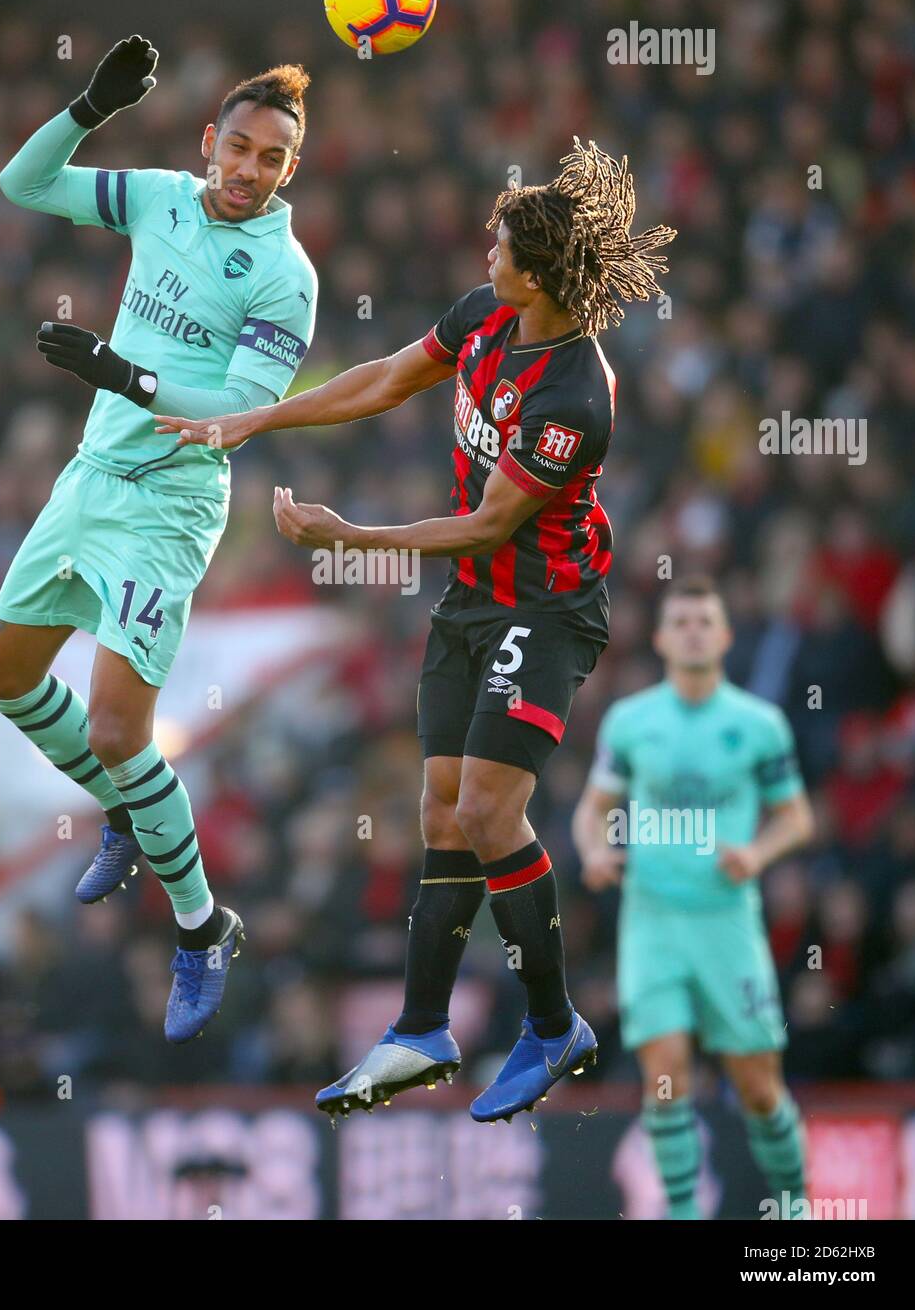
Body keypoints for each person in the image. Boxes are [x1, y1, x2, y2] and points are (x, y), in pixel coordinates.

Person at [156, 139, 675, 1120]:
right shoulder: (487, 316)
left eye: (502, 242)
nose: (486, 251)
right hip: (472, 605)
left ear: (543, 271)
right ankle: (420, 1032)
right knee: (439, 811)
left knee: (487, 811)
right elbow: (387, 377)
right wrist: (257, 421)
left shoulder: (571, 395)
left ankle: (553, 1022)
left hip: (546, 607)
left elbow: (487, 522)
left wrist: (353, 535)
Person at [0, 36, 317, 1043]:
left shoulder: (285, 275)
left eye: (271, 160)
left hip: (170, 503)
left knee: (122, 730)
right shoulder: (162, 194)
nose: (249, 170)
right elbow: (22, 183)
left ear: (289, 172)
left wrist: (127, 377)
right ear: (211, 141)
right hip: (89, 479)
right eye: (239, 147)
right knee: (2, 676)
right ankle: (128, 809)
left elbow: (243, 411)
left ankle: (204, 927)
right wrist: (88, 106)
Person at [572, 576, 814, 1217]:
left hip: (727, 921)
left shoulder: (759, 725)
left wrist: (757, 854)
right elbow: (592, 810)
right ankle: (683, 1214)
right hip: (652, 921)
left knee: (758, 1086)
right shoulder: (630, 721)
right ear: (660, 638)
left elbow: (797, 817)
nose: (693, 631)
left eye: (705, 621)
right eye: (680, 622)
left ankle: (794, 1208)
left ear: (726, 635)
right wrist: (596, 851)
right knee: (666, 1072)